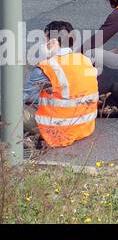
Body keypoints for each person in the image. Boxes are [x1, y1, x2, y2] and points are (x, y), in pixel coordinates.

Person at [24, 21, 98, 149]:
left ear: (52, 43)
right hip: (84, 128)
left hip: (58, 132)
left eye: (44, 40)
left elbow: (24, 97)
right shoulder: (85, 60)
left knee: (7, 107)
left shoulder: (46, 67)